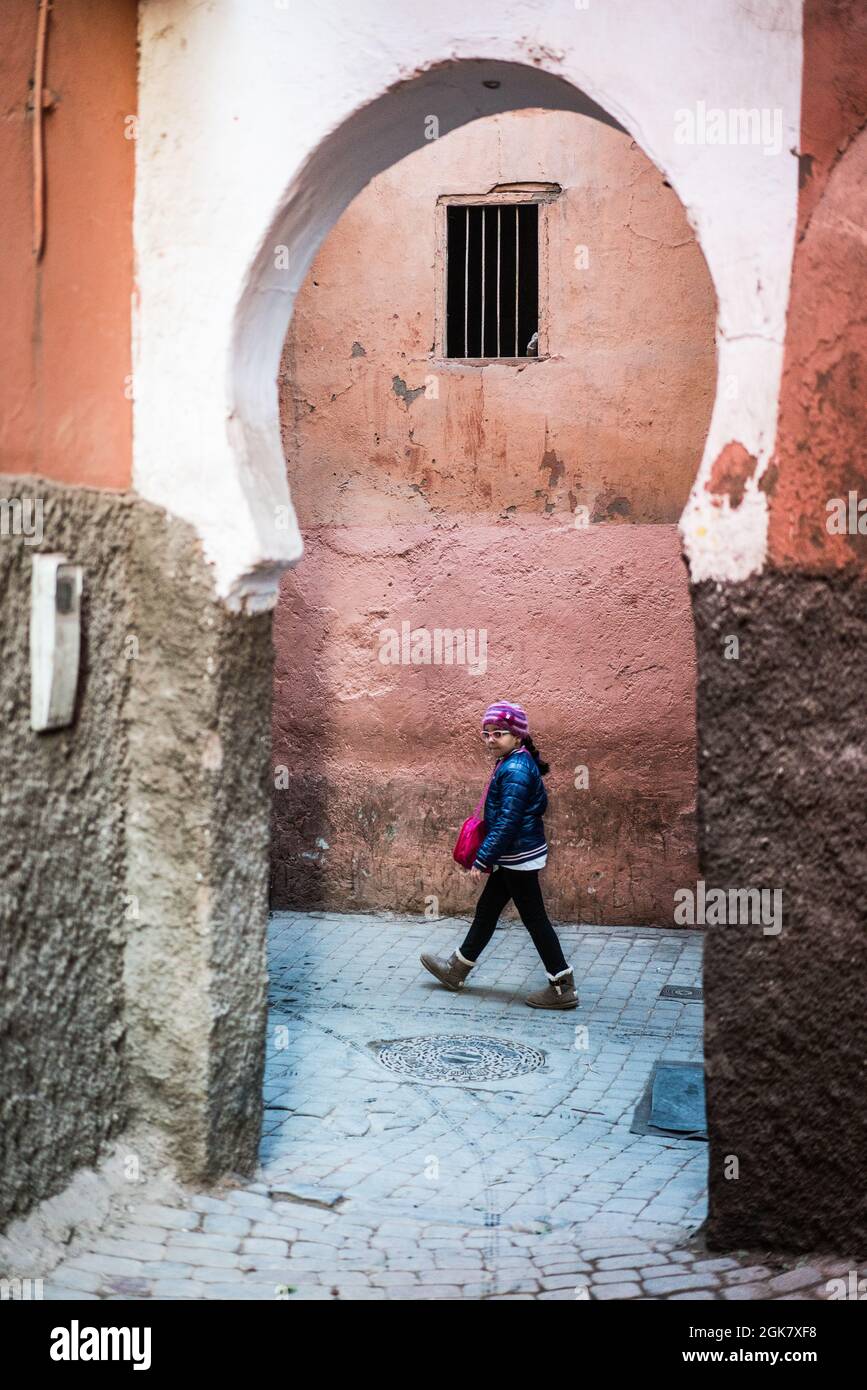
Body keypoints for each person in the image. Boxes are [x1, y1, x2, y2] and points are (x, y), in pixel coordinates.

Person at [420, 700, 578, 1009]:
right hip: (515, 854)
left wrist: (483, 858)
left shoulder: (516, 768)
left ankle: (562, 986)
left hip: (517, 855)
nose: (491, 739)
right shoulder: (513, 760)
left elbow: (508, 820)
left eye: (499, 733)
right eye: (486, 733)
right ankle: (458, 969)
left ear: (517, 736)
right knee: (488, 909)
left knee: (534, 919)